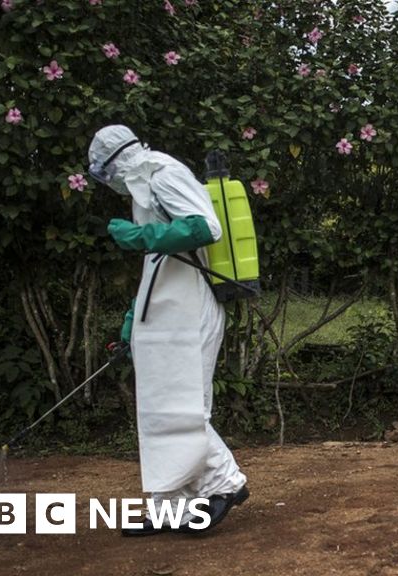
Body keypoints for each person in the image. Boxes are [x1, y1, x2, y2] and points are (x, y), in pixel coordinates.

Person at [87, 125, 248, 535]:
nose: (110, 183)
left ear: (116, 161)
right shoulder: (145, 186)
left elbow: (206, 227)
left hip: (189, 311)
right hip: (162, 314)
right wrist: (132, 323)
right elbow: (156, 266)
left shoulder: (164, 174)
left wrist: (142, 236)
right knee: (157, 410)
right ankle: (170, 506)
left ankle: (224, 484)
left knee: (184, 407)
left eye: (106, 173)